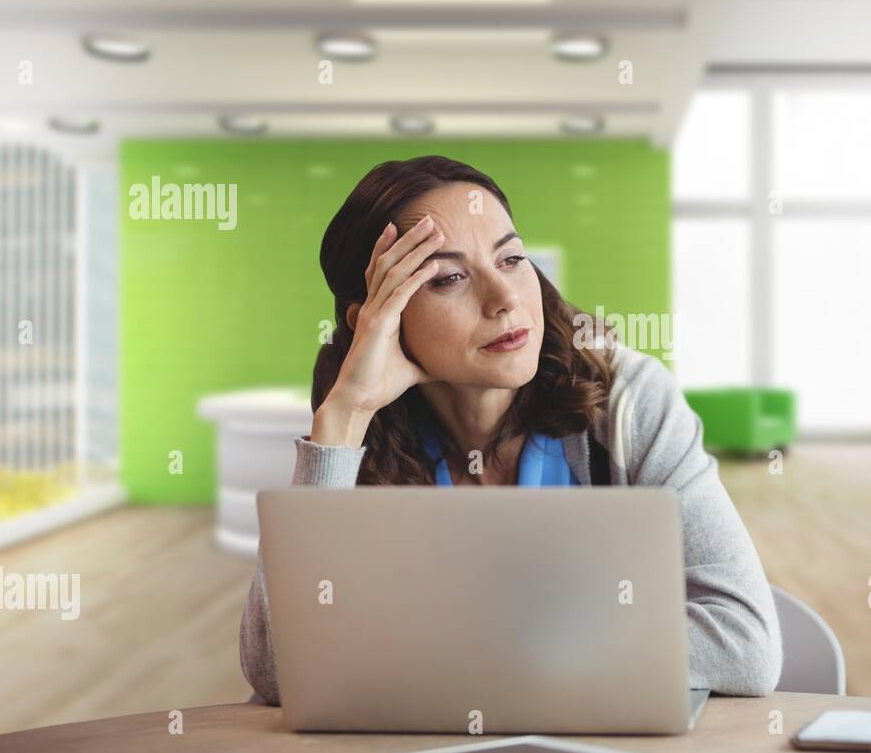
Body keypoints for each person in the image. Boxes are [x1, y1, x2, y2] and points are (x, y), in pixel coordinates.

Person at [239, 154, 783, 705]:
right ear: (378, 317)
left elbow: (744, 644)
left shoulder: (628, 399)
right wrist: (345, 415)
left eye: (512, 259)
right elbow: (280, 670)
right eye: (448, 278)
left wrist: (440, 652)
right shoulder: (355, 435)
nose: (503, 301)